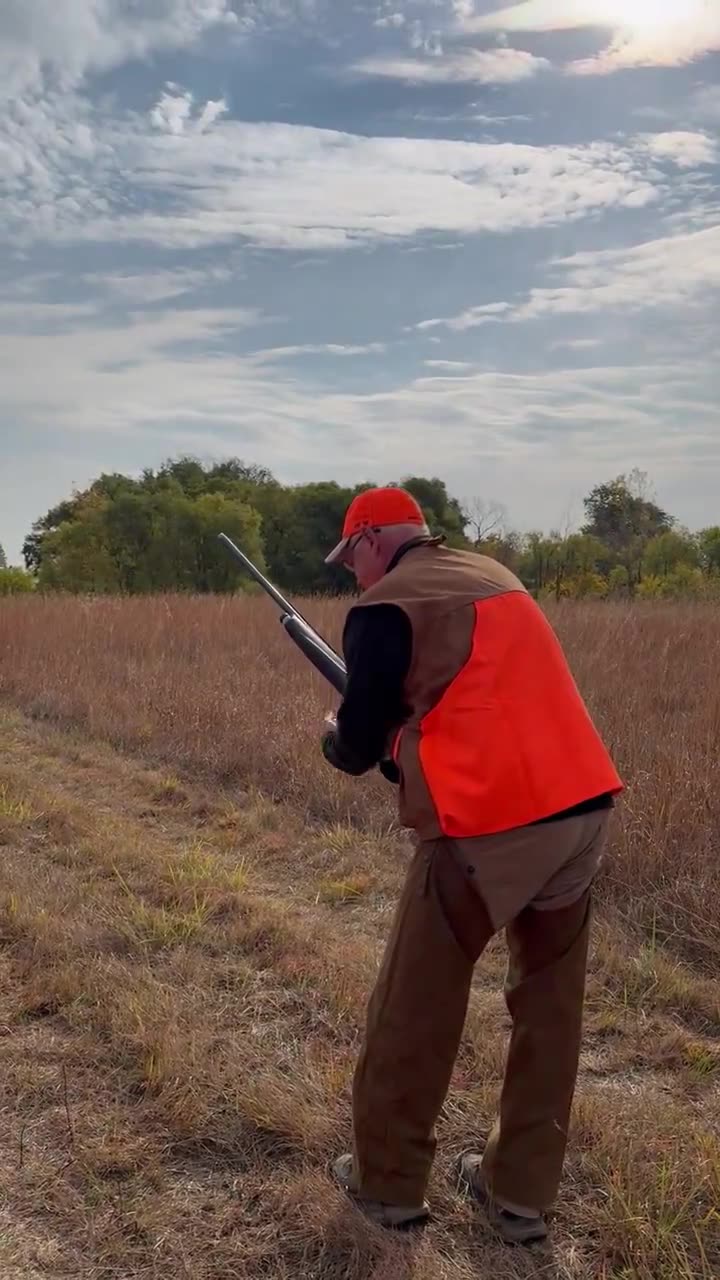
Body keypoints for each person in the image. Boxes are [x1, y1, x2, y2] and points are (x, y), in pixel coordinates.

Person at [321, 486, 623, 1245]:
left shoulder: (385, 606)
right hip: (584, 809)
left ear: (372, 540)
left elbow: (357, 743)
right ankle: (519, 1196)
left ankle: (387, 1186)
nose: (354, 574)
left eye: (351, 558)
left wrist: (339, 738)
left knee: (412, 1005)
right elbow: (481, 702)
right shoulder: (496, 576)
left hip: (490, 824)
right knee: (550, 1013)